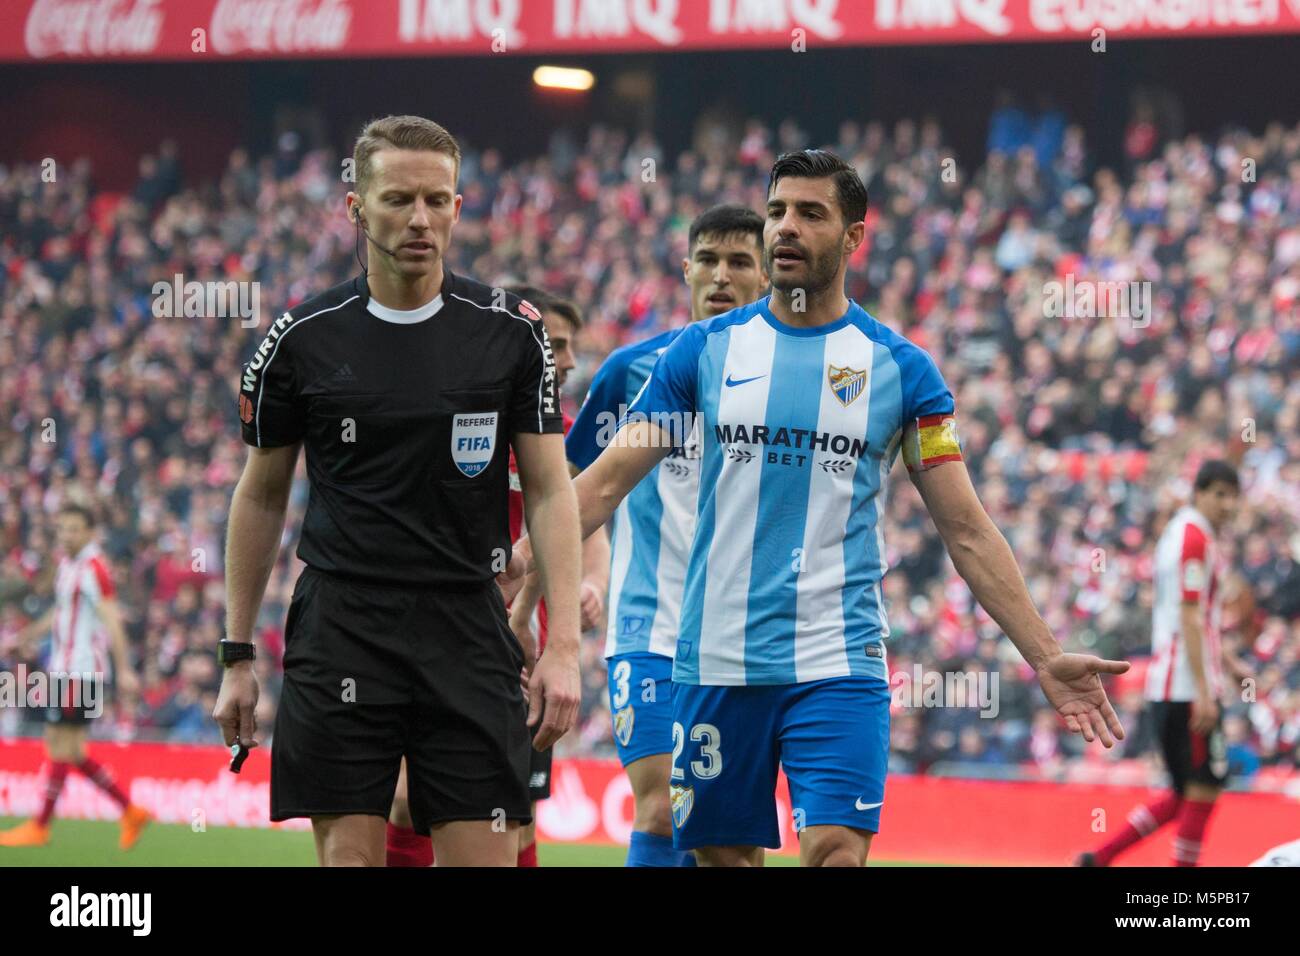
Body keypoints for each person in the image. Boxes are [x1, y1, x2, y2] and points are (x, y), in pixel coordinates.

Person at [511, 149, 1129, 867]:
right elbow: (604, 485)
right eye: (777, 212)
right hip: (715, 659)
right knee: (723, 860)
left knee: (836, 852)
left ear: (854, 236)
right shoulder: (701, 354)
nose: (786, 229)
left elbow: (966, 530)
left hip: (838, 660)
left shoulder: (902, 370)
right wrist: (519, 568)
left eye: (810, 213)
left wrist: (1045, 656)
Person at [214, 115, 582, 867]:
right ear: (356, 207)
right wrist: (237, 654)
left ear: (457, 205)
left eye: (438, 200)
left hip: (467, 629)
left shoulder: (512, 333)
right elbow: (259, 496)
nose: (421, 218)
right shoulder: (300, 339)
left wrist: (565, 648)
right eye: (398, 199)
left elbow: (550, 489)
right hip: (342, 623)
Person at [562, 204, 768, 866]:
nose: (721, 275)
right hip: (648, 627)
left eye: (740, 262)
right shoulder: (630, 372)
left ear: (767, 275)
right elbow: (575, 491)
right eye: (708, 260)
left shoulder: (791, 376)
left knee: (728, 833)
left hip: (743, 636)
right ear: (685, 269)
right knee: (659, 803)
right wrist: (543, 590)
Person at [384, 287, 610, 868]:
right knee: (409, 800)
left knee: (516, 818)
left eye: (569, 347)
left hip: (527, 650)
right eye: (554, 344)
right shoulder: (473, 416)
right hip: (451, 628)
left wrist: (593, 588)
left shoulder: (564, 433)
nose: (565, 359)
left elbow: (593, 530)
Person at [1076, 460, 1248, 867]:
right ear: (1200, 492)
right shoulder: (1196, 538)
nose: (1227, 505)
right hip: (1187, 688)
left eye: (1232, 497)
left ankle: (1098, 858)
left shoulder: (1177, 532)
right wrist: (1206, 692)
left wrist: (1228, 660)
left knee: (1181, 794)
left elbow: (1191, 615)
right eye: (1219, 494)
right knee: (1204, 789)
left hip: (1168, 684)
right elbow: (1190, 615)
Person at [0, 503, 151, 851]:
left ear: (89, 532)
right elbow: (60, 612)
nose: (66, 534)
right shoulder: (69, 565)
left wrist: (125, 668)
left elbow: (112, 617)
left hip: (83, 672)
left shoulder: (94, 568)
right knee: (67, 748)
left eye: (73, 528)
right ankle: (129, 811)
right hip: (64, 669)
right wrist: (25, 637)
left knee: (61, 745)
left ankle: (41, 826)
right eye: (62, 527)